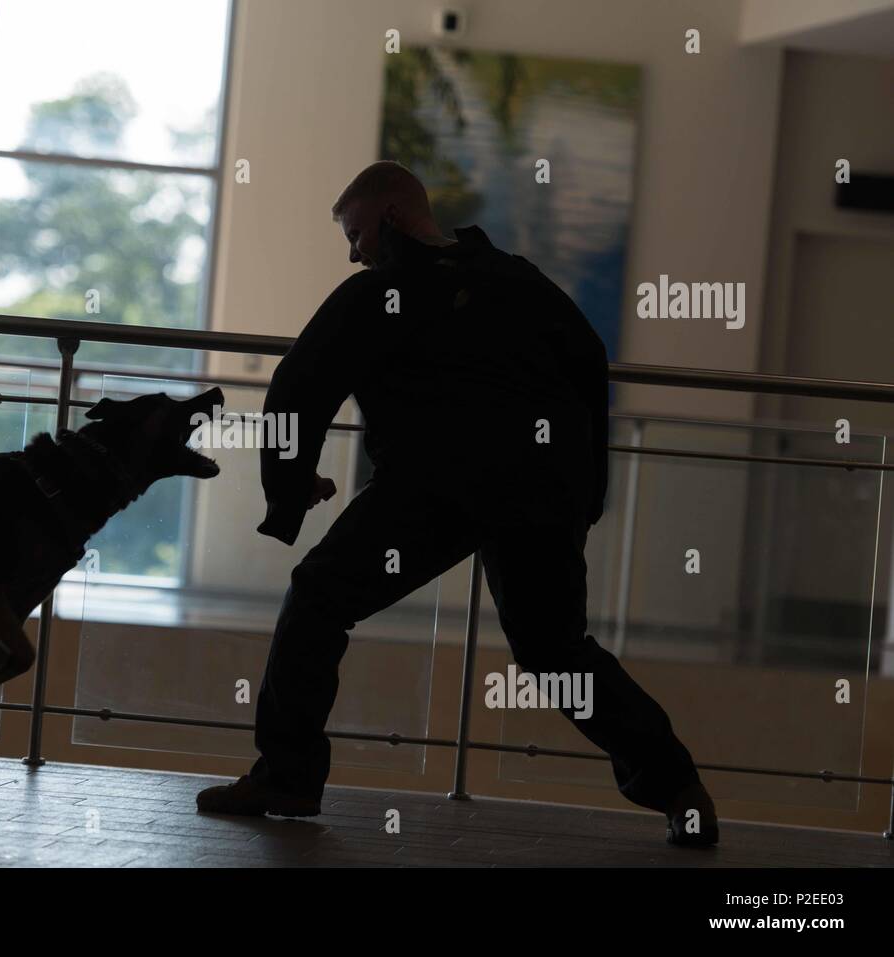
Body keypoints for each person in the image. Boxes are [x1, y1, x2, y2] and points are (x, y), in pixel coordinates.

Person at [196, 161, 719, 846]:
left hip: (431, 491)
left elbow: (299, 387)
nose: (354, 252)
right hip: (538, 495)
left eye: (355, 233)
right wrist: (584, 494)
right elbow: (590, 371)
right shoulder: (521, 281)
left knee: (319, 597)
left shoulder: (378, 294)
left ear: (388, 216)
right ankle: (680, 789)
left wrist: (291, 489)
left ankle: (288, 774)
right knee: (556, 651)